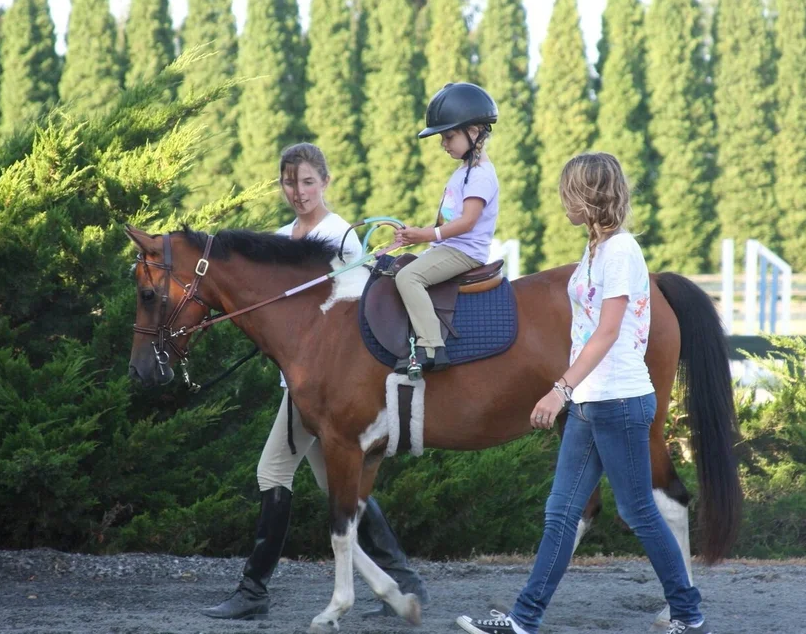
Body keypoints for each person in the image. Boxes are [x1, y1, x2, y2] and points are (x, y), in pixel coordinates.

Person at [456, 153, 711, 634]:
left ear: (589, 197)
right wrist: (573, 394)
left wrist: (559, 389)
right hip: (590, 403)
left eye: (568, 193)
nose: (562, 202)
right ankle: (523, 621)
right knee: (560, 514)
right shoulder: (595, 252)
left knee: (638, 513)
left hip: (618, 400)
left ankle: (689, 611)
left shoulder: (621, 252)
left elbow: (609, 330)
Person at [201, 143, 428, 620]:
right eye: (289, 182)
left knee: (273, 472)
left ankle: (253, 590)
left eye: (307, 182)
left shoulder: (339, 236)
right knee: (339, 489)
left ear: (324, 181)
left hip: (330, 389)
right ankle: (403, 581)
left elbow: (349, 305)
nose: (298, 192)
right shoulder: (282, 238)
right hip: (304, 387)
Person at [393, 82, 501, 375]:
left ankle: (431, 347)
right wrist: (411, 237)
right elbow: (447, 222)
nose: (444, 143)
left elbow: (466, 222)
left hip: (465, 252)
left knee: (408, 278)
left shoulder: (480, 176)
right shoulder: (464, 172)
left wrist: (426, 235)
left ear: (474, 132)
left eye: (449, 136)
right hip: (450, 247)